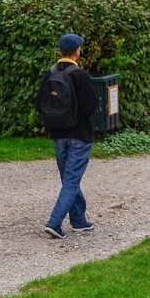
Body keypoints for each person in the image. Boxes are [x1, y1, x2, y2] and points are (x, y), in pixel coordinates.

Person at [43, 33, 99, 240]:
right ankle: (54, 223)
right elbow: (91, 106)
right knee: (72, 180)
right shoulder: (80, 75)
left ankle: (78, 220)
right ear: (77, 51)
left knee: (69, 178)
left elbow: (40, 103)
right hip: (79, 134)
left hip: (57, 134)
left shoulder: (49, 73)